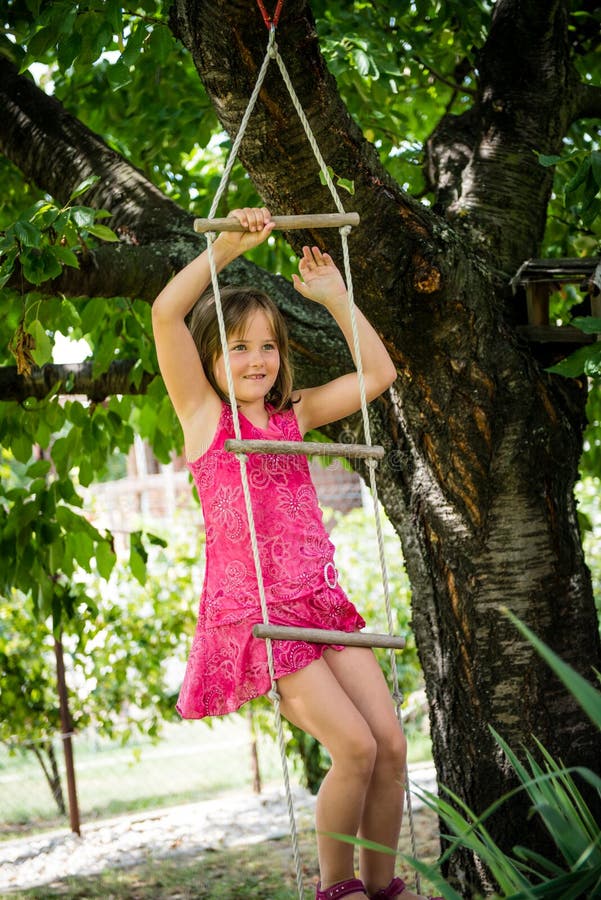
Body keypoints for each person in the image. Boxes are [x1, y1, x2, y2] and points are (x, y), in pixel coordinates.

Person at [152, 207, 436, 900]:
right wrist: (225, 249)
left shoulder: (293, 415)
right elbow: (165, 313)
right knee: (356, 748)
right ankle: (335, 890)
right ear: (212, 357)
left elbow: (377, 374)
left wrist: (336, 300)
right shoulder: (202, 417)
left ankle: (381, 889)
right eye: (238, 347)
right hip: (259, 613)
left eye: (267, 347)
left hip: (319, 602)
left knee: (392, 748)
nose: (255, 360)